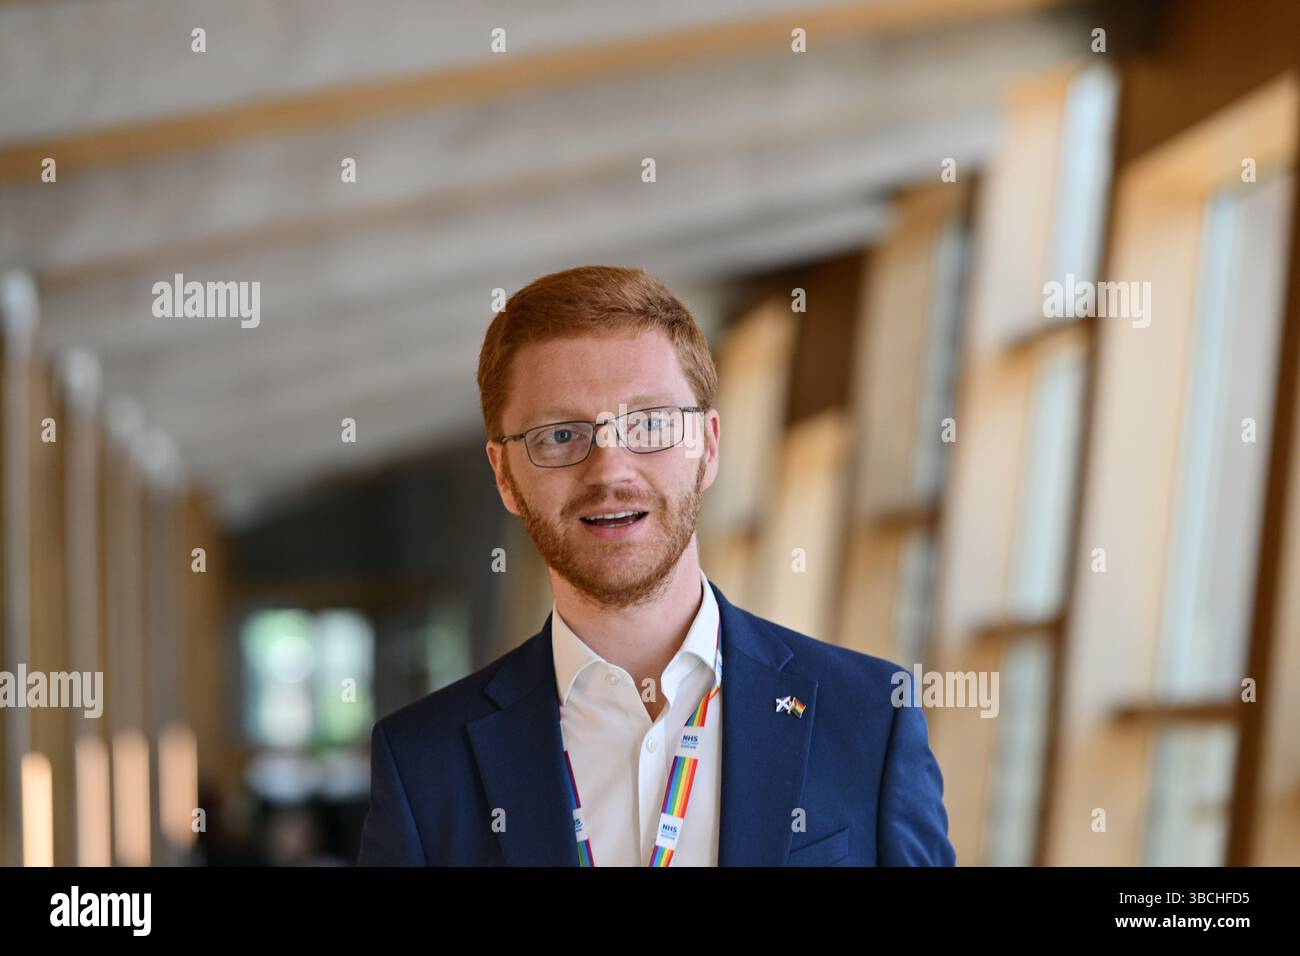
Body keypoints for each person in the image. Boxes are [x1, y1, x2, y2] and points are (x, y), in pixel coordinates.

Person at [357, 265, 956, 866]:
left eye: (650, 423)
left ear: (709, 446)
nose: (610, 470)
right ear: (505, 476)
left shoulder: (869, 720)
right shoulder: (423, 765)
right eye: (560, 435)